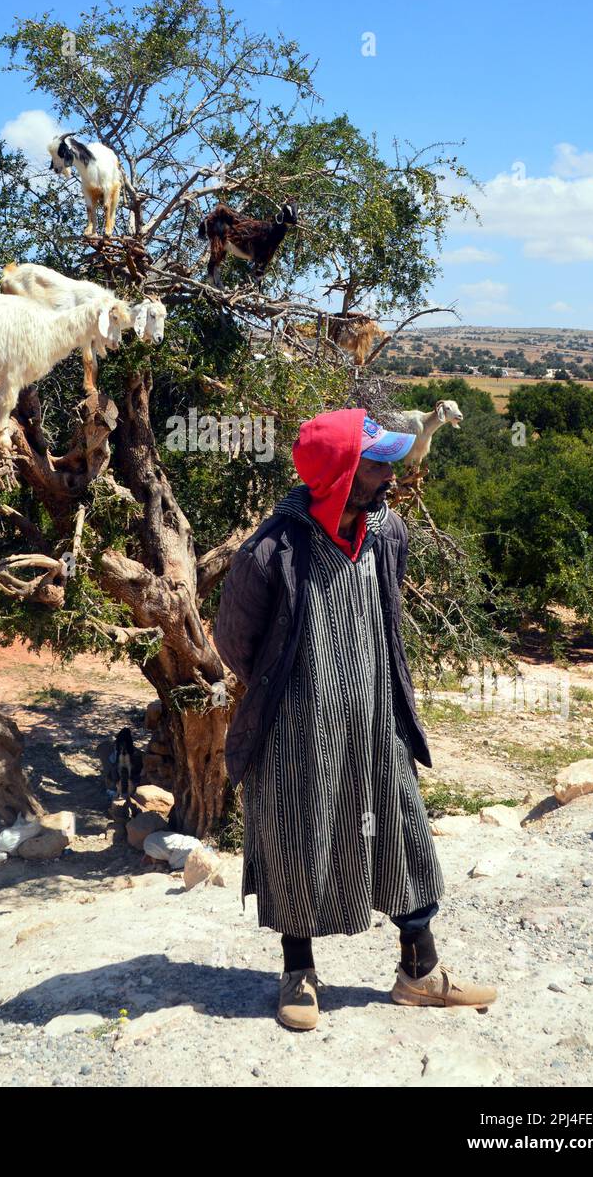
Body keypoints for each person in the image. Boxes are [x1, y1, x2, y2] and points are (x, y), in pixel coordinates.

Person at [213, 407, 497, 1030]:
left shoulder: (386, 532)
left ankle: (420, 976)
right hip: (295, 734)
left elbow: (387, 620)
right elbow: (233, 642)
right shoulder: (272, 551)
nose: (390, 474)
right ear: (341, 475)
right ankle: (298, 973)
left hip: (376, 724)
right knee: (295, 843)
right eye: (377, 463)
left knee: (405, 837)